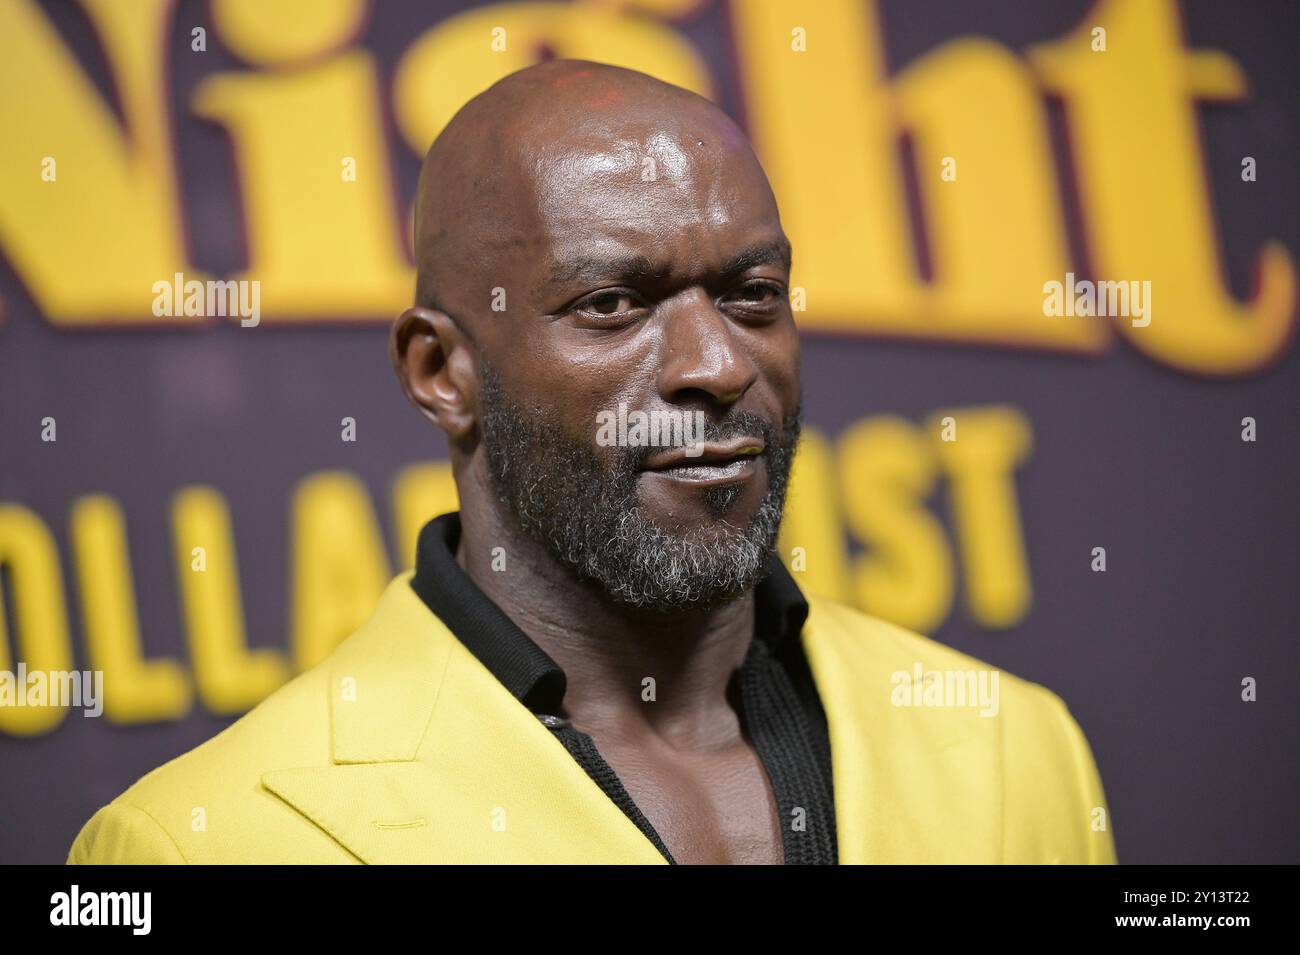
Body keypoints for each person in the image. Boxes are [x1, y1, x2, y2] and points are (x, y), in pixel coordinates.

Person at [68, 59, 1115, 865]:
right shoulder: (202, 842)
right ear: (441, 370)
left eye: (752, 293)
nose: (715, 364)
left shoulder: (1016, 745)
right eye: (610, 305)